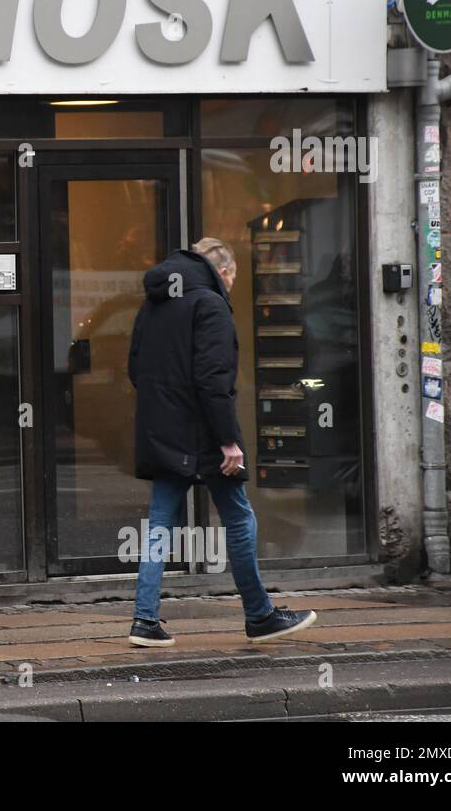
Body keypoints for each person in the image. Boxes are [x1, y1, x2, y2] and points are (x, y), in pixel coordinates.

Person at [126, 238, 317, 647]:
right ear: (224, 273)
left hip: (164, 433)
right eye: (231, 279)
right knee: (239, 516)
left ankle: (144, 621)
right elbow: (214, 382)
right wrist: (229, 441)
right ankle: (260, 614)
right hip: (204, 435)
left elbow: (135, 367)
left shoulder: (155, 302)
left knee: (160, 521)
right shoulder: (210, 305)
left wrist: (166, 413)